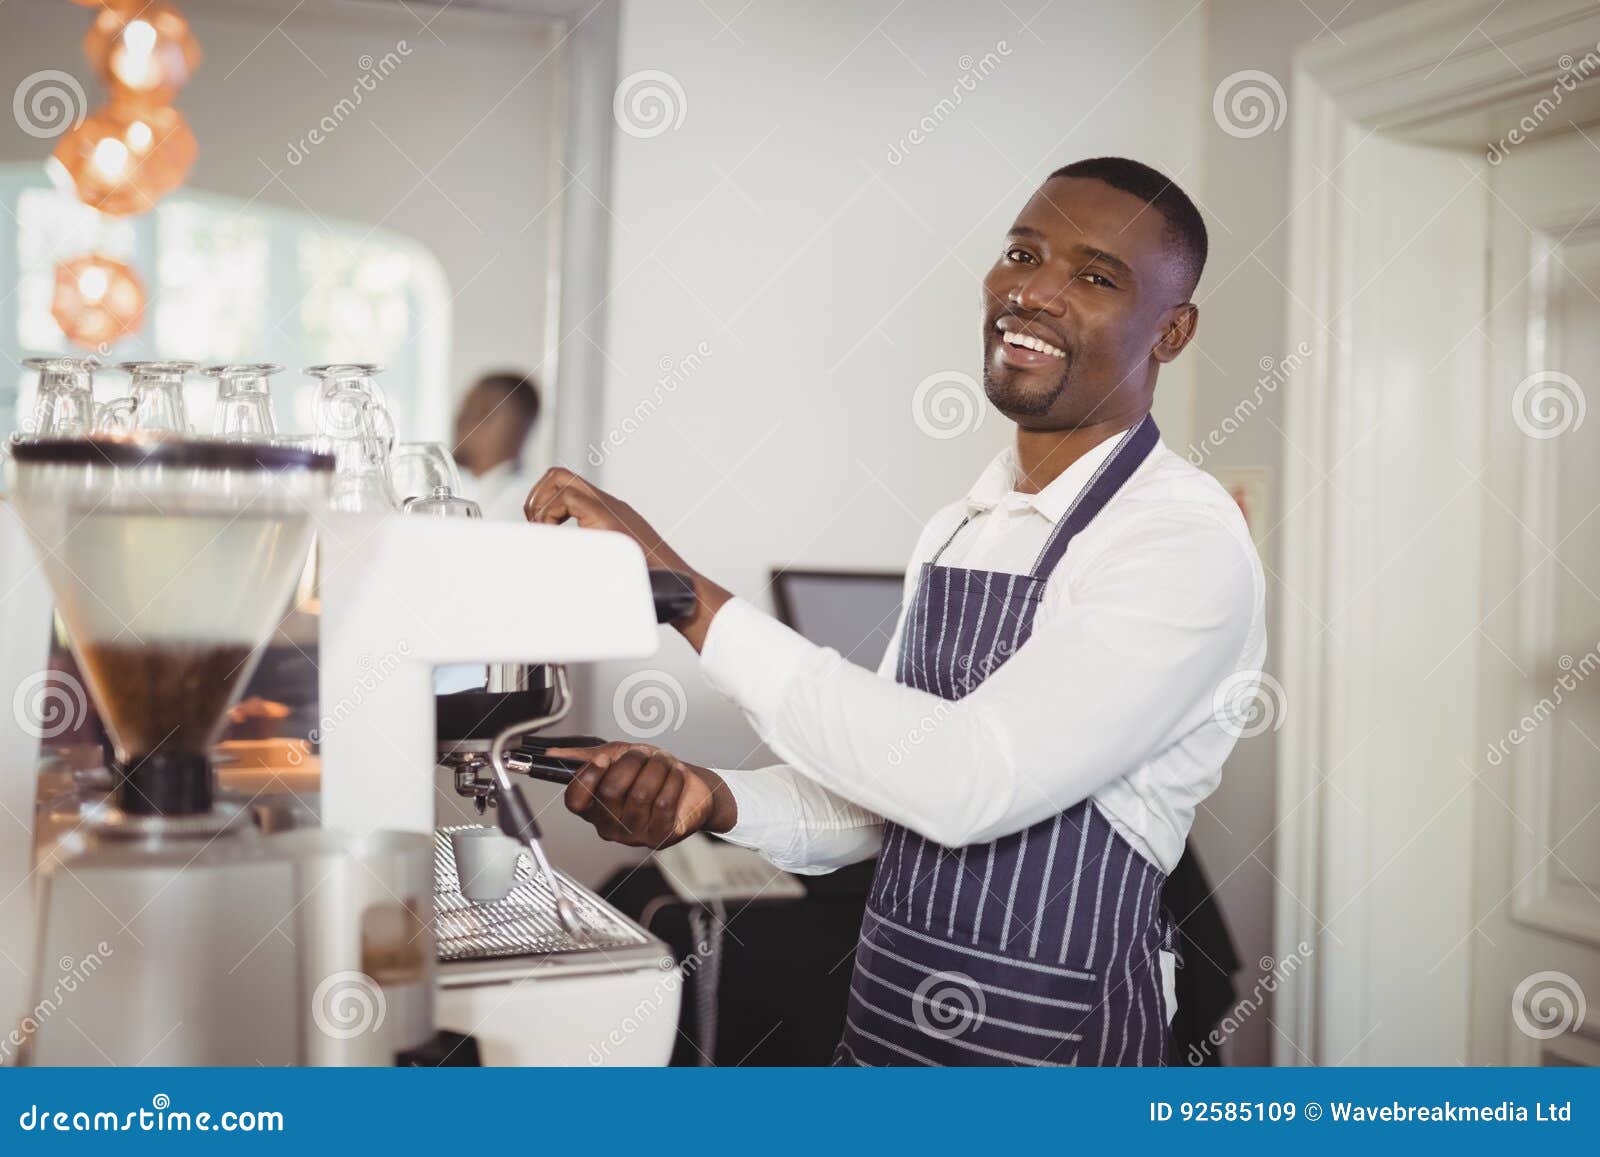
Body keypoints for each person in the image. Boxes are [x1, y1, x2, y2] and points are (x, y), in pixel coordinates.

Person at [526, 157, 1267, 1067]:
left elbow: (969, 782)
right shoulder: (959, 530)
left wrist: (684, 597)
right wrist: (711, 798)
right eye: (1021, 253)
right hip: (886, 1032)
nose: (1032, 292)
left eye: (1094, 275)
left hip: (1053, 1056)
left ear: (1173, 330)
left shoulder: (1179, 542)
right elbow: (888, 801)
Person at [451, 370, 542, 520]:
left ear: (511, 425)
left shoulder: (529, 508)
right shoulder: (462, 493)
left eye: (471, 411)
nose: (458, 421)